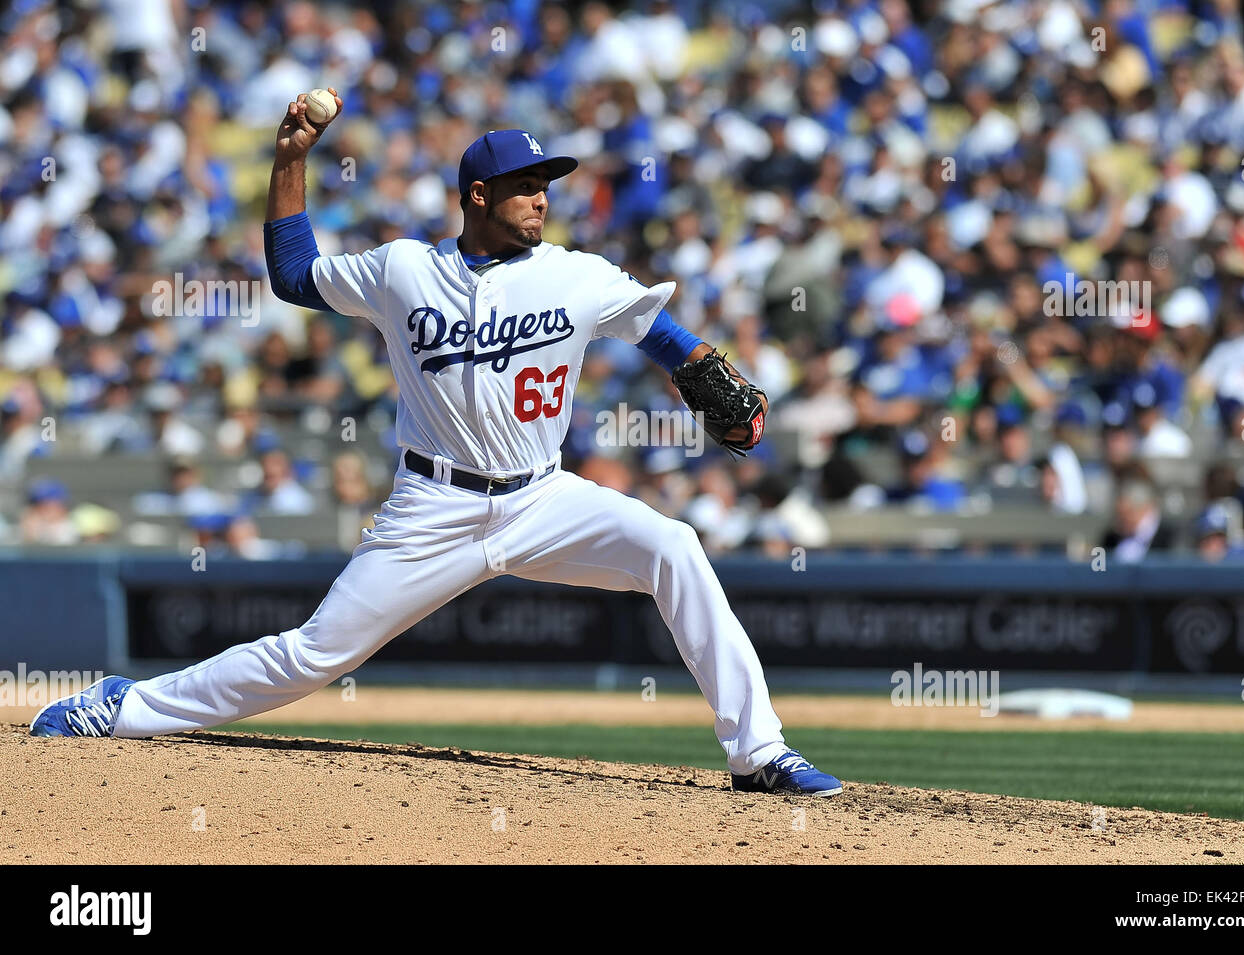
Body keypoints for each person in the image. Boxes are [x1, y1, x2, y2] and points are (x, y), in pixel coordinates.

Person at [30, 92, 841, 797]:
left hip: (543, 497)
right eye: (525, 185)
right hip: (433, 505)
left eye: (547, 185)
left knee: (674, 546)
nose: (541, 198)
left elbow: (659, 332)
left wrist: (702, 368)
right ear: (478, 194)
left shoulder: (577, 274)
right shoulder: (403, 270)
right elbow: (293, 273)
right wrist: (291, 160)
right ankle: (125, 705)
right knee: (314, 655)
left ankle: (758, 752)